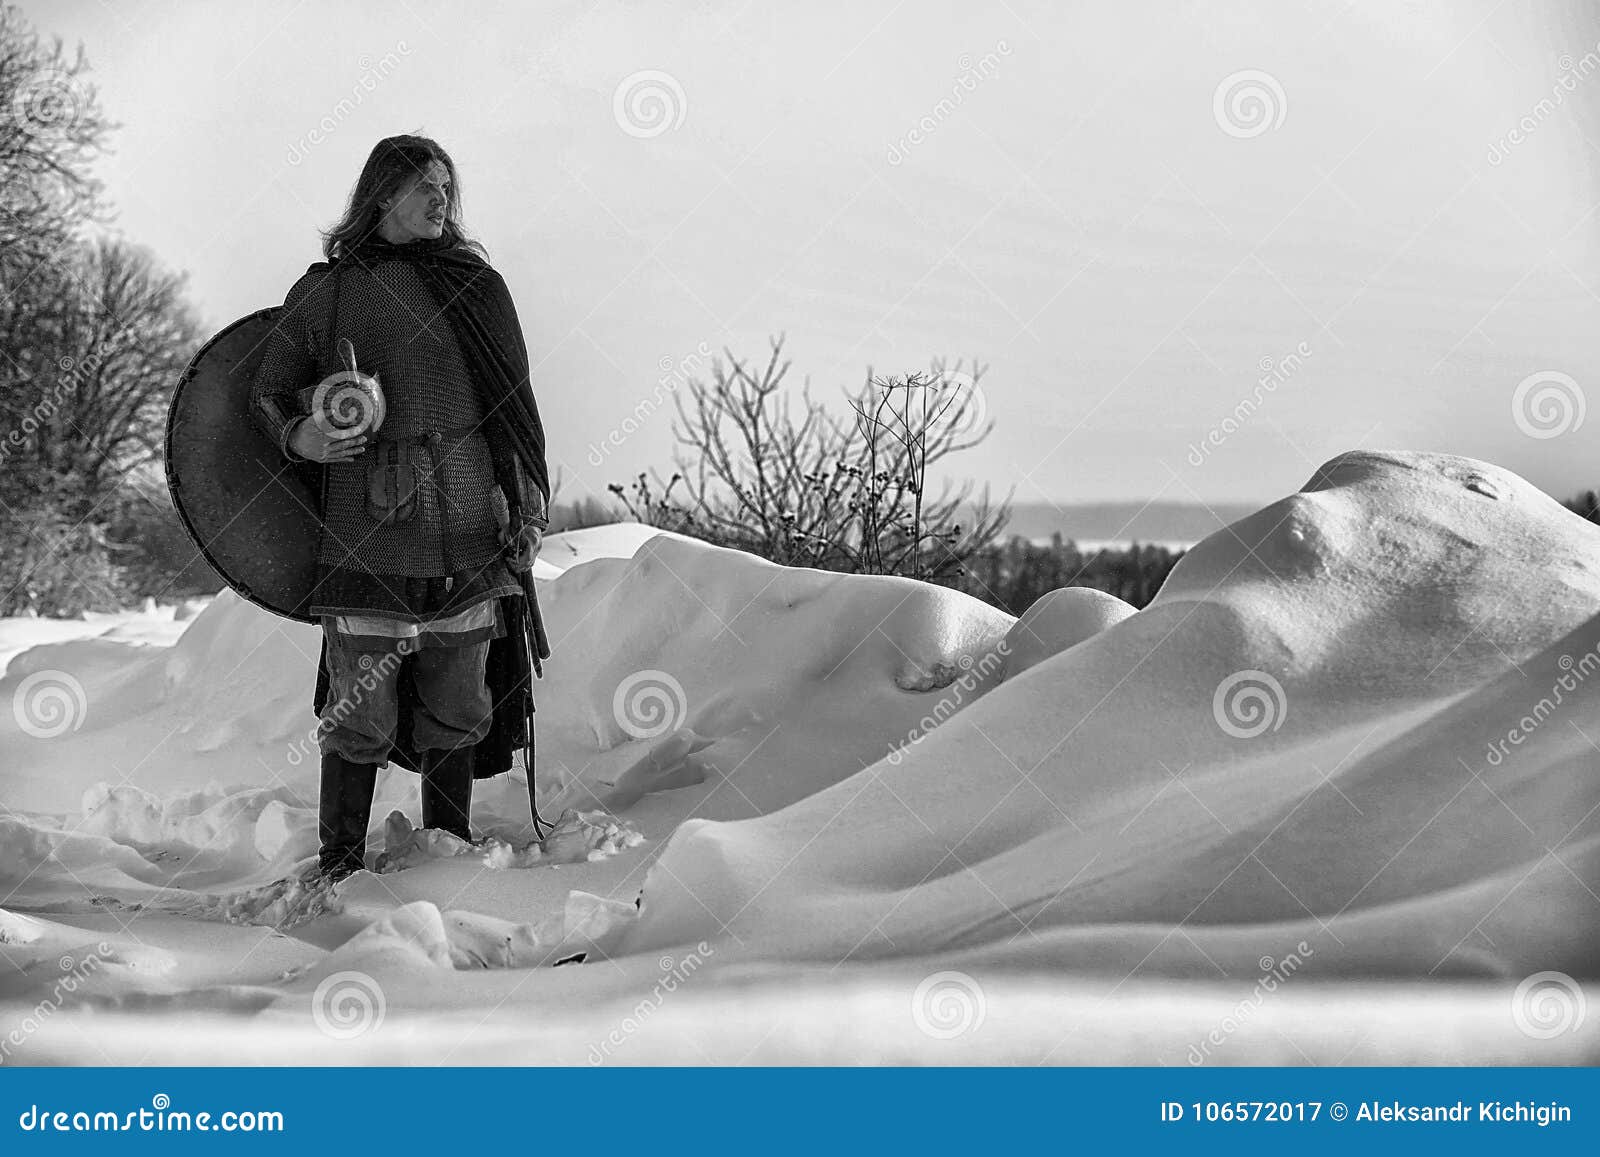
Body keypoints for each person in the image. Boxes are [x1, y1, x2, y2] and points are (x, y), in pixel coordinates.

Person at [250, 134, 551, 881]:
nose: (441, 199)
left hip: (470, 528)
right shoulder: (329, 291)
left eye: (448, 186)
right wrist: (303, 435)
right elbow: (265, 386)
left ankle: (443, 857)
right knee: (361, 715)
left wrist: (526, 503)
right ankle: (341, 868)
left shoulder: (474, 287)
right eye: (425, 186)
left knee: (458, 700)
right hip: (366, 530)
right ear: (382, 194)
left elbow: (513, 408)